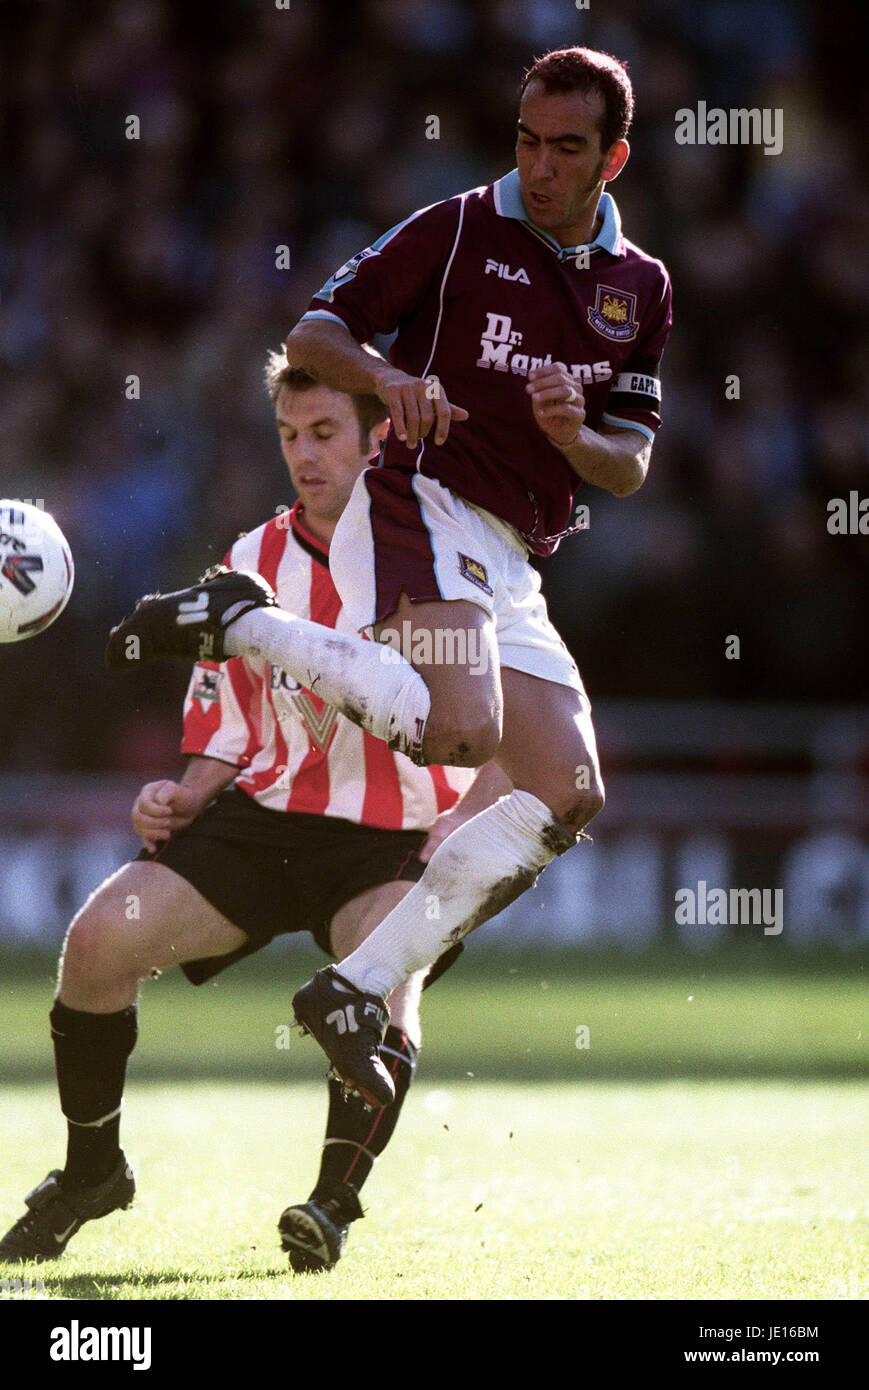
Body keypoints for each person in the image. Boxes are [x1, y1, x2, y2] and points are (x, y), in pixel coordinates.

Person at [105, 47, 672, 1108]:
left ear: (613, 159)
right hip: (420, 501)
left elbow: (629, 462)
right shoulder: (455, 229)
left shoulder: (639, 286)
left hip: (512, 557)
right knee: (460, 731)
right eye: (526, 140)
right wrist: (386, 376)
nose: (539, 166)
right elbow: (315, 331)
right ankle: (249, 622)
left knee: (568, 791)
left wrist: (574, 438)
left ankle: (354, 987)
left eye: (566, 148)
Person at [0, 355, 507, 1272]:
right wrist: (185, 792)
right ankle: (90, 1173)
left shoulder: (443, 555)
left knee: (380, 987)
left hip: (400, 834)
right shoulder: (249, 560)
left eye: (324, 433)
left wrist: (463, 820)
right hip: (268, 818)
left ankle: (330, 1204)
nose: (304, 455)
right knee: (98, 944)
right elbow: (229, 720)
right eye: (289, 435)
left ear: (377, 437)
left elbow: (508, 713)